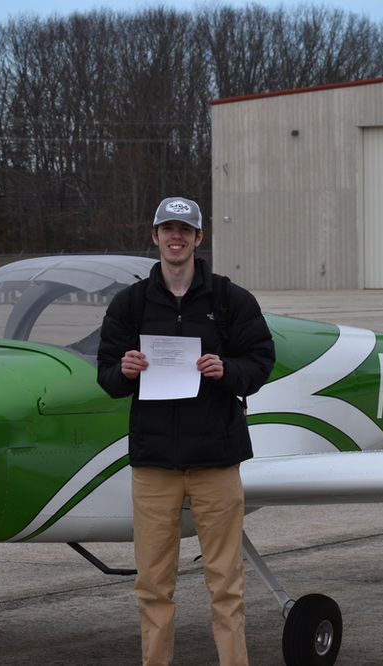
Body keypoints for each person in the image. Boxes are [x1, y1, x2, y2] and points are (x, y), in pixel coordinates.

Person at [96, 196, 275, 665]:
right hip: (155, 465)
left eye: (186, 230)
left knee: (226, 584)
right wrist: (126, 370)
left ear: (199, 238)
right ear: (155, 237)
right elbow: (107, 377)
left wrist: (226, 369)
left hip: (217, 460)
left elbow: (260, 362)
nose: (176, 237)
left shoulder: (230, 299)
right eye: (167, 229)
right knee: (153, 585)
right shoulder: (130, 303)